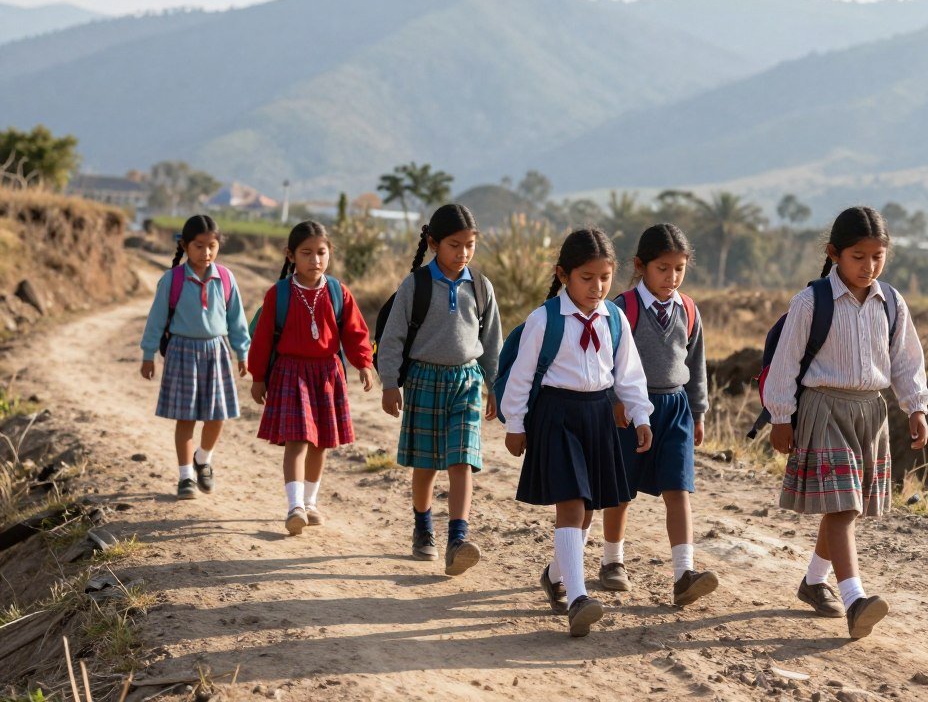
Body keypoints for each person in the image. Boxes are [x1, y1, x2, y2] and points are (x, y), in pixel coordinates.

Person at [763, 206, 928, 639]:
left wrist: (915, 407)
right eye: (859, 256)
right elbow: (785, 363)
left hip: (870, 414)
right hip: (824, 409)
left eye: (878, 256)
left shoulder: (891, 302)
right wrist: (781, 417)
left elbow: (906, 362)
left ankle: (814, 580)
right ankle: (855, 598)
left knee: (846, 504)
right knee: (844, 506)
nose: (869, 266)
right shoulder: (809, 302)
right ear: (834, 254)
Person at [502, 228, 654, 637]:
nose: (597, 286)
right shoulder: (544, 319)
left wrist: (641, 416)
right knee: (570, 506)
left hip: (599, 416)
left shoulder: (615, 319)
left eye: (605, 277)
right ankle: (578, 598)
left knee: (588, 509)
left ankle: (554, 576)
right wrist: (515, 424)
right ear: (563, 274)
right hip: (557, 416)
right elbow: (520, 376)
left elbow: (629, 376)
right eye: (587, 277)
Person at [377, 204, 502, 575]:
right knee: (427, 464)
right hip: (424, 380)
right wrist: (389, 383)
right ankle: (422, 528)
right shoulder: (415, 285)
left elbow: (492, 342)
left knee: (463, 459)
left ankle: (458, 539)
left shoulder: (481, 287)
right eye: (454, 245)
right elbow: (393, 338)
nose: (463, 253)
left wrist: (495, 386)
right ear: (433, 243)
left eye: (470, 245)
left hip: (467, 381)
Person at [601, 223, 718, 606]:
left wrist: (698, 411)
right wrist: (617, 401)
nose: (671, 277)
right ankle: (612, 561)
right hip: (631, 408)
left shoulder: (688, 309)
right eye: (662, 268)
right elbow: (606, 360)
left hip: (676, 407)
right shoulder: (622, 309)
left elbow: (695, 363)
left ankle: (684, 573)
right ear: (641, 266)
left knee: (678, 487)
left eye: (679, 268)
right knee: (621, 489)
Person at [249, 221, 374, 535]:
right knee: (298, 440)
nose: (315, 260)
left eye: (321, 252)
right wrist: (258, 376)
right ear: (290, 255)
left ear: (330, 253)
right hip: (290, 373)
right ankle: (294, 506)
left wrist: (364, 363)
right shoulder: (278, 295)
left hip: (327, 374)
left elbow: (356, 332)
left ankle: (311, 501)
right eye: (306, 253)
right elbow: (263, 339)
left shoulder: (337, 292)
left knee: (321, 444)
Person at [140, 214, 249, 500]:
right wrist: (148, 353)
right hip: (181, 352)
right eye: (199, 246)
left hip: (217, 351)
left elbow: (237, 319)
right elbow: (156, 319)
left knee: (218, 415)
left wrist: (242, 352)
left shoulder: (225, 278)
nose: (207, 252)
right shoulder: (172, 280)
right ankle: (186, 475)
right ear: (185, 246)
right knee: (186, 418)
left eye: (212, 245)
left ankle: (204, 458)